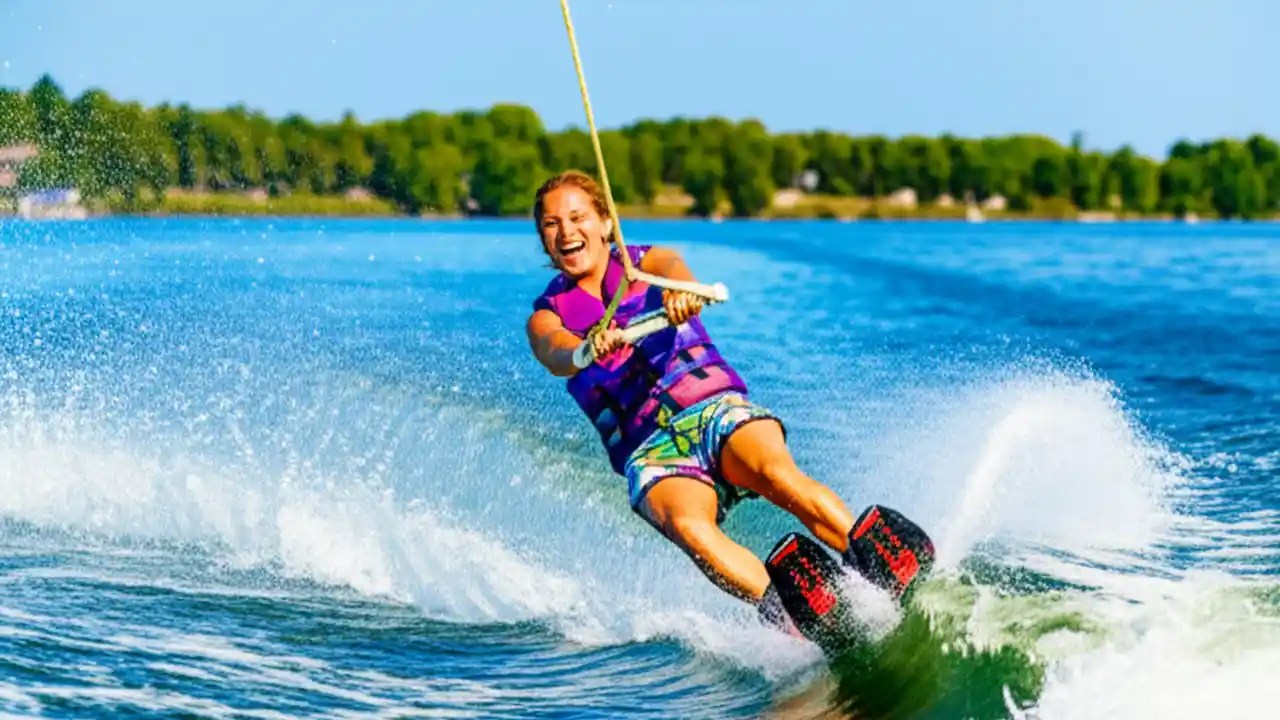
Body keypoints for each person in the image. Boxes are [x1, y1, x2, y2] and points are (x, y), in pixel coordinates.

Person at [525, 169, 863, 627]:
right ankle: (801, 620)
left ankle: (868, 559)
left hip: (713, 410)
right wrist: (584, 349)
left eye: (577, 216)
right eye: (551, 223)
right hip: (653, 452)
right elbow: (553, 351)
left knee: (776, 474)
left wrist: (681, 294)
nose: (566, 231)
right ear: (544, 240)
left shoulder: (651, 263)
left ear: (606, 222)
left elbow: (676, 271)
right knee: (689, 527)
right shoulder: (547, 316)